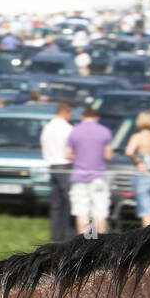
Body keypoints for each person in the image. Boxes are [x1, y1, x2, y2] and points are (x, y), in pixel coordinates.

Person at [66, 107, 114, 237]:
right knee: (100, 212)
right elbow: (108, 156)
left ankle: (84, 245)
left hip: (79, 176)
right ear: (96, 117)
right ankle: (101, 244)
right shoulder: (105, 131)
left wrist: (80, 155)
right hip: (99, 176)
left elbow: (67, 154)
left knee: (82, 212)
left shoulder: (75, 131)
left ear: (82, 117)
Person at [40, 101, 74, 242]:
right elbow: (71, 149)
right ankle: (68, 234)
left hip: (52, 166)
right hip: (65, 167)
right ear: (66, 112)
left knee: (56, 205)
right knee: (69, 203)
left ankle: (56, 235)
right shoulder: (68, 128)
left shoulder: (47, 128)